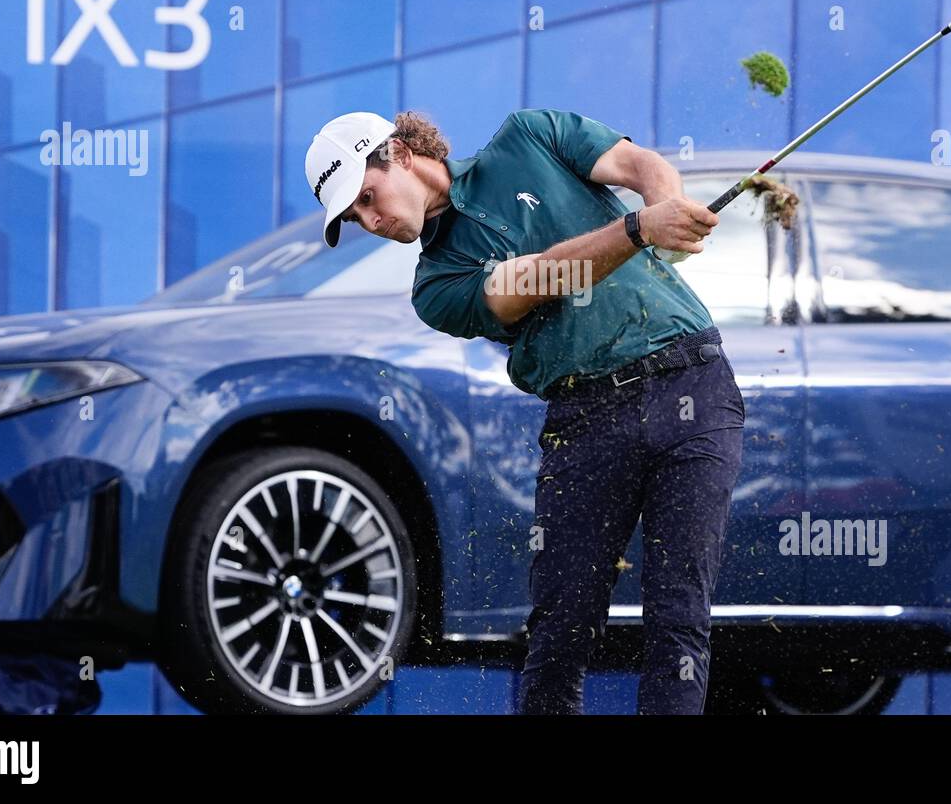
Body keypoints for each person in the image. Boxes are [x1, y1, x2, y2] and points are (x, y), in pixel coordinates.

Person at [304, 108, 746, 714]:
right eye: (356, 217)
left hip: (694, 382)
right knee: (562, 624)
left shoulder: (530, 135)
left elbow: (639, 165)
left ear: (401, 153)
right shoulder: (436, 285)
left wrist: (670, 213)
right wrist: (642, 229)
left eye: (367, 198)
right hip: (585, 418)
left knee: (679, 612)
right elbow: (541, 277)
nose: (370, 220)